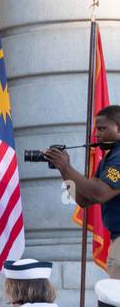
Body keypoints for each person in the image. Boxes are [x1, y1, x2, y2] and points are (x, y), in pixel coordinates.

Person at [44, 106, 120, 278]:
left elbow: (99, 194)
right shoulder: (111, 156)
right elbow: (83, 200)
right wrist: (63, 171)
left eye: (102, 129)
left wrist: (67, 166)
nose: (97, 135)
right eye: (96, 129)